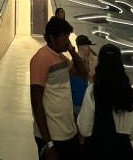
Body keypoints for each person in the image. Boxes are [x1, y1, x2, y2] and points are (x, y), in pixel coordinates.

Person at [30, 17, 88, 160]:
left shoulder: (61, 58)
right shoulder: (41, 58)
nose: (66, 41)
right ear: (51, 38)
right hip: (53, 136)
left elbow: (83, 73)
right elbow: (36, 101)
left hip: (68, 131)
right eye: (63, 37)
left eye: (67, 37)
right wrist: (48, 144)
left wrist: (72, 51)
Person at [76, 44, 133, 159]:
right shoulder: (130, 93)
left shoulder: (93, 91)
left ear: (100, 63)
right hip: (123, 151)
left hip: (98, 149)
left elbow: (84, 130)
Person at [70, 35, 98, 118]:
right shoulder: (78, 62)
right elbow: (90, 76)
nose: (89, 48)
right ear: (81, 46)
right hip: (78, 102)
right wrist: (95, 60)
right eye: (87, 45)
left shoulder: (81, 60)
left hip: (80, 100)